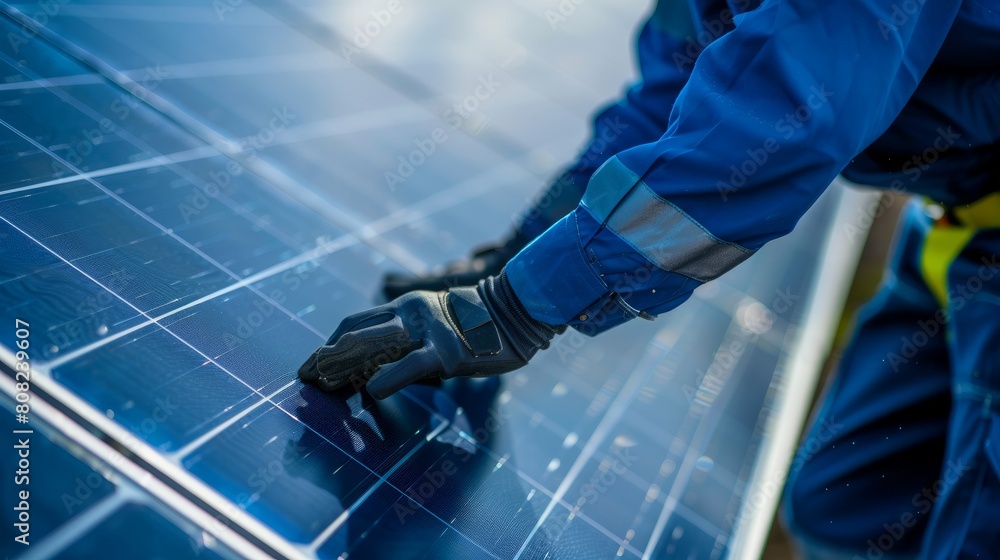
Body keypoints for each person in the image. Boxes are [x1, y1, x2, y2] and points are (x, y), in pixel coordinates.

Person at [298, 0, 1000, 556]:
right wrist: (512, 258)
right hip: (962, 222)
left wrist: (515, 308)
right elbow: (670, 96)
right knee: (845, 510)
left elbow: (786, 120)